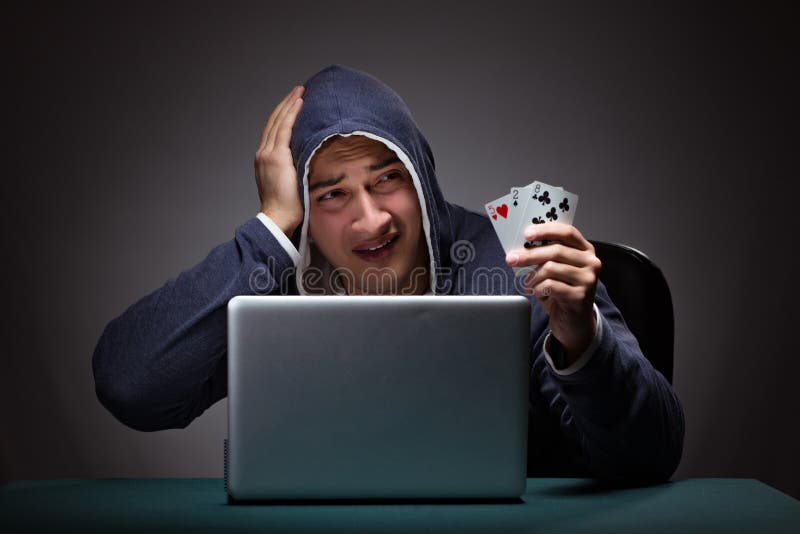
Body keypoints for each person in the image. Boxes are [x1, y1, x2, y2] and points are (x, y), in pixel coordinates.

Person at [93, 64, 684, 482]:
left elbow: (651, 456)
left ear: (421, 173)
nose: (369, 219)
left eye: (386, 179)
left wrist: (581, 337)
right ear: (300, 206)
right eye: (331, 195)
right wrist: (268, 233)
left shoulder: (518, 254)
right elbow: (130, 387)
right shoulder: (277, 276)